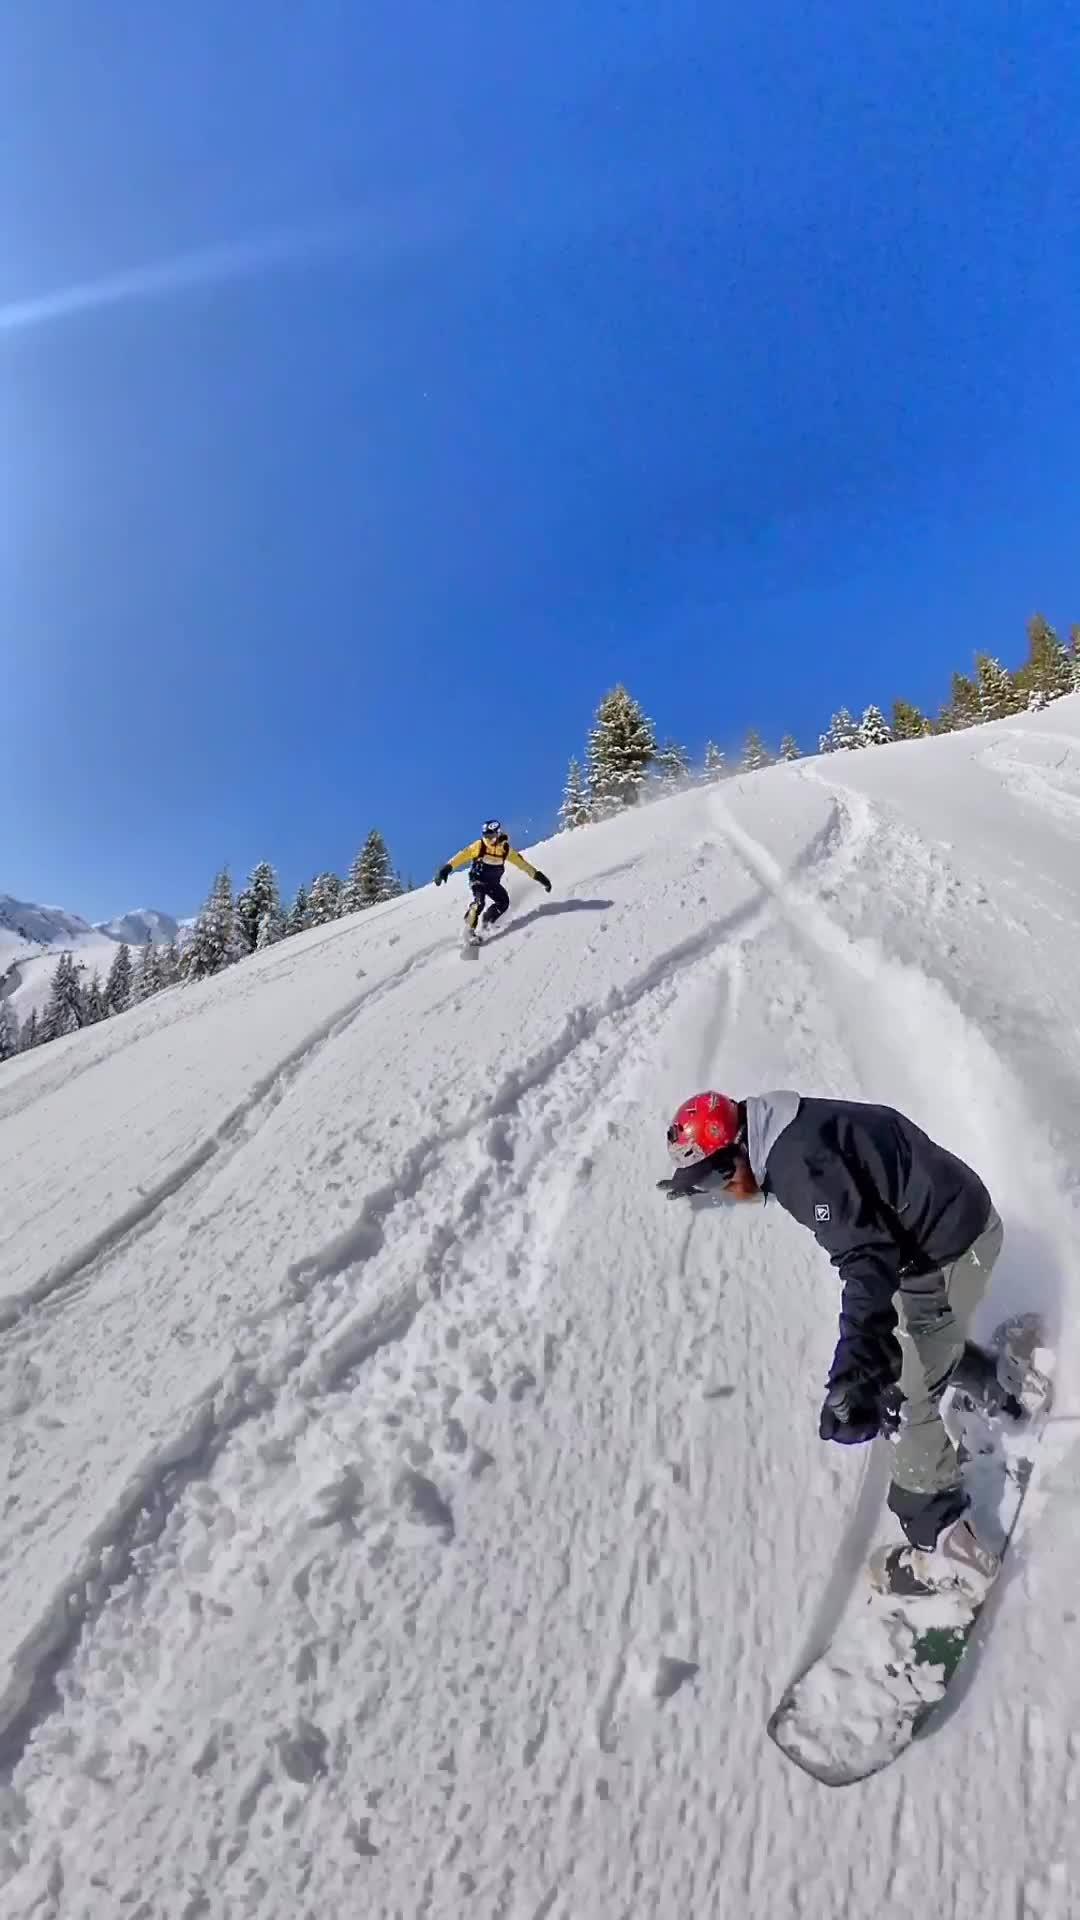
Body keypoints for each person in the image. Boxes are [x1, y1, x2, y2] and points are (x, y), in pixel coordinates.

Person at [659, 1088, 1021, 1597]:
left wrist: (853, 1372)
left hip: (954, 1247)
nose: (726, 1192)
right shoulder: (780, 1131)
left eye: (719, 1177)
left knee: (903, 1389)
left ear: (738, 1146)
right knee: (907, 1349)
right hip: (939, 1236)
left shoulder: (799, 1164)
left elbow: (867, 1263)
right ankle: (1000, 1385)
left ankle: (945, 1547)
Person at [434, 818, 552, 935]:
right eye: (486, 836)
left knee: (503, 902)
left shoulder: (505, 850)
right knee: (479, 903)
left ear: (498, 833)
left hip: (492, 883)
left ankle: (487, 922)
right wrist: (446, 869)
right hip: (478, 879)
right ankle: (469, 930)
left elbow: (523, 865)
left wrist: (540, 877)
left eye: (491, 836)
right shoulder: (480, 845)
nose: (488, 839)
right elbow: (462, 856)